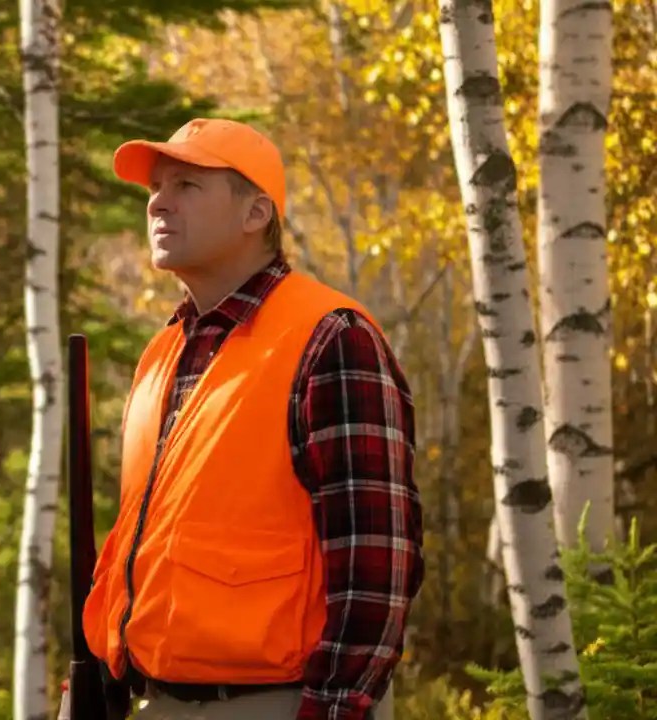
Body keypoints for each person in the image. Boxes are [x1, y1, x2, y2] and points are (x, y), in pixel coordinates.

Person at [80, 118, 424, 719]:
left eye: (187, 185)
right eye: (156, 188)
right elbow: (136, 545)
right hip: (155, 703)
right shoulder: (164, 351)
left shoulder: (332, 340)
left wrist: (333, 710)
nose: (158, 202)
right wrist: (93, 682)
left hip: (281, 703)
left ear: (256, 214)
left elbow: (377, 565)